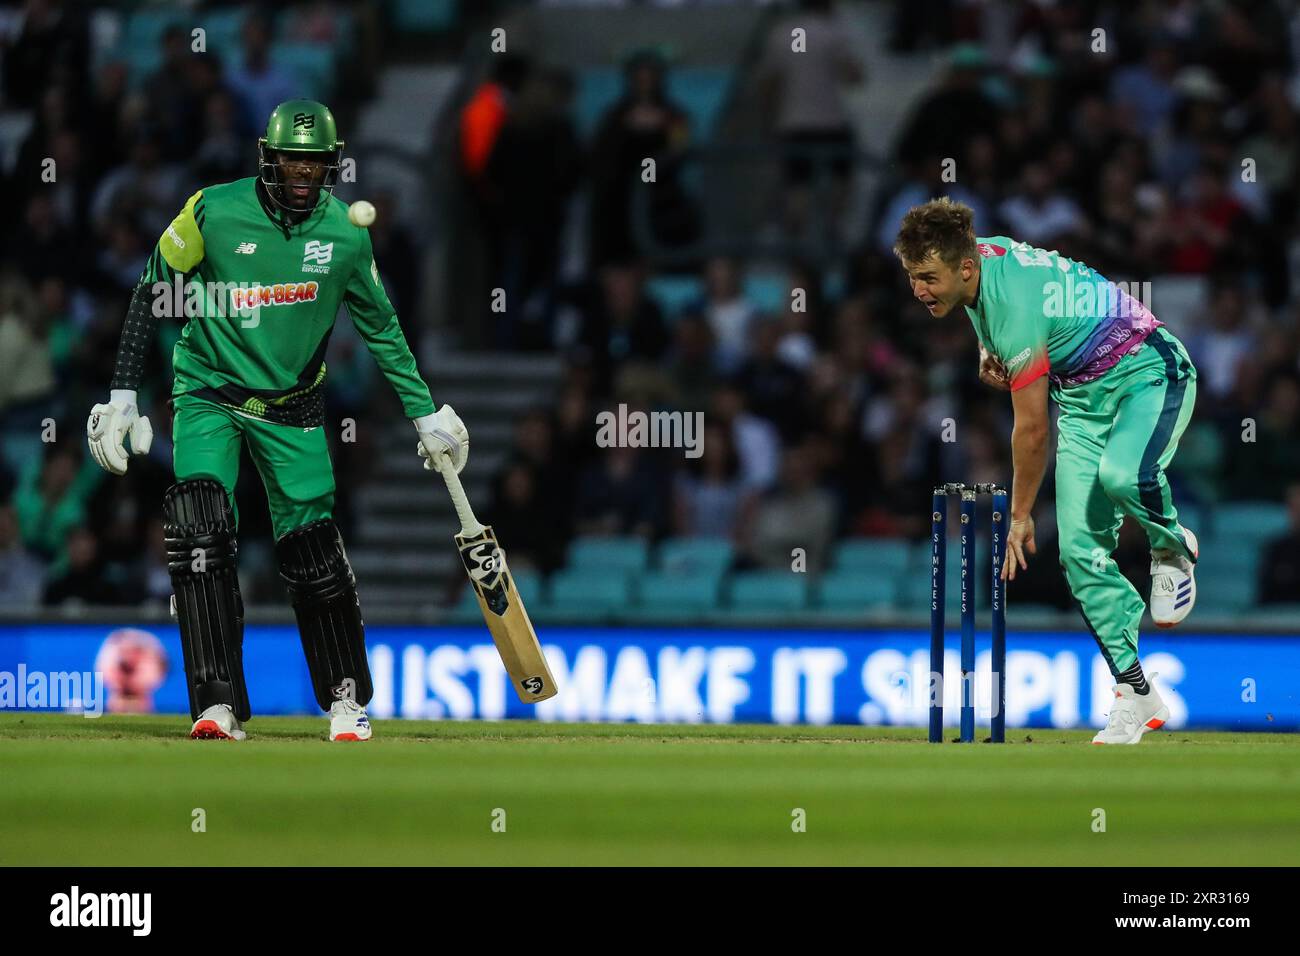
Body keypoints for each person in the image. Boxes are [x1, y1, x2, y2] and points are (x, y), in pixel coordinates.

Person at [85, 100, 468, 742]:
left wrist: (424, 412)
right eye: (291, 158)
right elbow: (151, 288)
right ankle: (217, 704)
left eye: (314, 162)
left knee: (314, 553)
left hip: (293, 405)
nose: (301, 173)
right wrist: (123, 393)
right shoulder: (211, 208)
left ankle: (345, 700)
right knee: (199, 531)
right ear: (267, 157)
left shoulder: (346, 234)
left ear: (330, 164)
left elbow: (381, 327)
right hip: (209, 389)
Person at [895, 198, 1199, 746]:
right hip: (1082, 402)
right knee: (1078, 554)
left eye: (927, 278)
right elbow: (992, 301)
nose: (919, 290)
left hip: (1148, 371)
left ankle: (1171, 544)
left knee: (1122, 476)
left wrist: (1018, 516)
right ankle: (1135, 693)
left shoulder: (1008, 306)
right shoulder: (976, 263)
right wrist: (990, 349)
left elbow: (1033, 431)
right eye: (913, 277)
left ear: (963, 268)